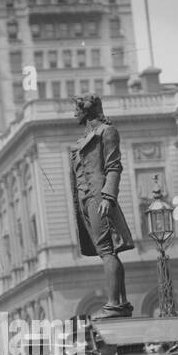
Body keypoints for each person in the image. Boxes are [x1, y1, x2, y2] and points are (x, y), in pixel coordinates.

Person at [68, 93, 134, 318]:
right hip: (85, 202)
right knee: (106, 251)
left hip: (99, 199)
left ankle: (115, 304)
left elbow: (114, 167)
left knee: (107, 250)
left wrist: (108, 197)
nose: (74, 113)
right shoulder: (82, 140)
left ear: (86, 110)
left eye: (76, 109)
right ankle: (120, 303)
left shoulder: (107, 132)